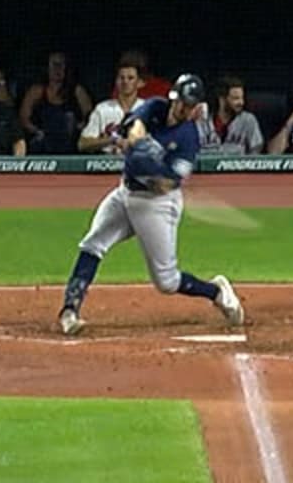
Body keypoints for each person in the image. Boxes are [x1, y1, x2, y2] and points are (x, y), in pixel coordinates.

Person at [56, 74, 243, 337]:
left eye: (188, 105)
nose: (181, 109)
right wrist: (136, 142)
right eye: (179, 102)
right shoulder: (155, 106)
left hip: (156, 204)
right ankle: (69, 310)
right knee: (92, 244)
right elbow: (133, 127)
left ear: (196, 108)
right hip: (125, 192)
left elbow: (166, 184)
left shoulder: (189, 138)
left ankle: (216, 291)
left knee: (166, 282)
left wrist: (147, 166)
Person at [18, 51, 91, 159]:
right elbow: (23, 118)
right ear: (47, 68)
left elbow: (90, 117)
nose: (58, 69)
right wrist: (37, 131)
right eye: (54, 64)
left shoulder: (77, 91)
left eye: (61, 64)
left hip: (70, 144)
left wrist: (79, 128)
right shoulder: (36, 91)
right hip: (43, 143)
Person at [77, 64, 142, 152]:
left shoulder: (147, 107)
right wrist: (112, 140)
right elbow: (82, 144)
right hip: (107, 161)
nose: (125, 82)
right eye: (121, 78)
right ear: (116, 81)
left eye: (130, 78)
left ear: (139, 83)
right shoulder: (103, 109)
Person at [204, 76, 263, 154]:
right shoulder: (204, 121)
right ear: (222, 99)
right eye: (236, 98)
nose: (241, 103)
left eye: (242, 98)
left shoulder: (248, 120)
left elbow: (255, 152)